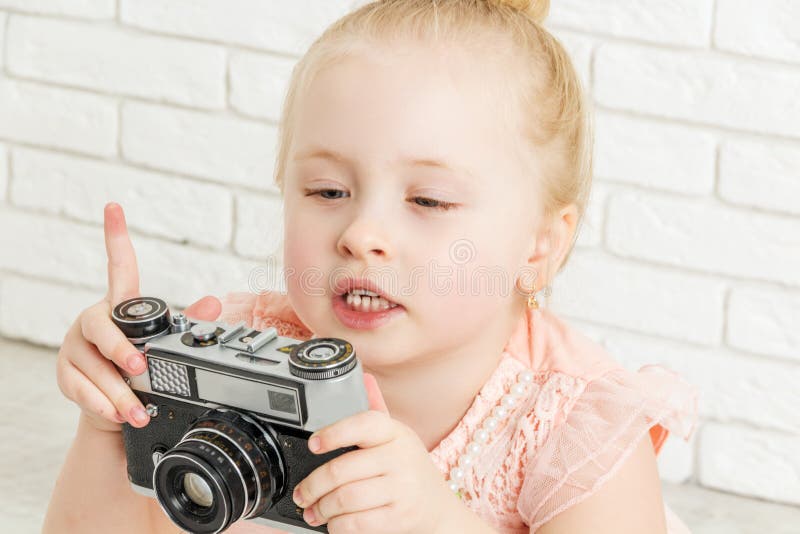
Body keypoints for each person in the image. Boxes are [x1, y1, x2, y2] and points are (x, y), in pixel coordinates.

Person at [44, 0, 698, 532]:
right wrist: (109, 424)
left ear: (539, 247)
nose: (361, 235)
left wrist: (434, 522)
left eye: (428, 200)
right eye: (328, 191)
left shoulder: (575, 429)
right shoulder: (241, 358)